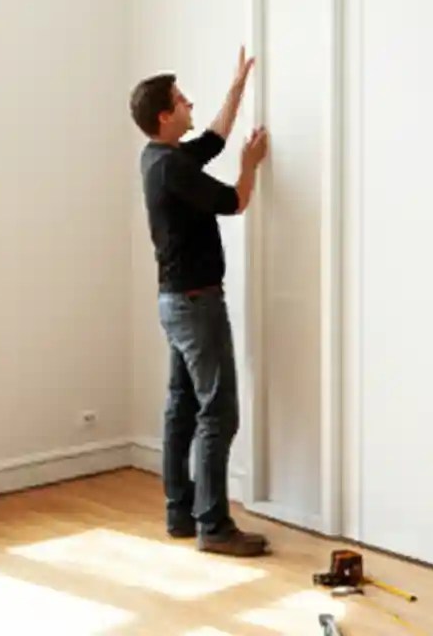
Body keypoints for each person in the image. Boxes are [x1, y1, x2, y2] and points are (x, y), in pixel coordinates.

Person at [130, 47, 269, 557]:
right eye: (183, 100)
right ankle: (214, 525)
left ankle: (180, 513)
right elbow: (235, 201)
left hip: (176, 303)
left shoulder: (160, 158)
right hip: (196, 304)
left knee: (182, 409)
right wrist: (250, 166)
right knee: (219, 411)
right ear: (166, 116)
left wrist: (237, 88)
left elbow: (213, 138)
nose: (191, 104)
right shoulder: (172, 169)